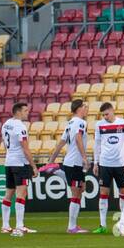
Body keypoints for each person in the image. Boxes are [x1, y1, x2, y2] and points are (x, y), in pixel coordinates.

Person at [44, 98, 89, 234]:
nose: (87, 109)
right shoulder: (80, 122)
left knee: (81, 188)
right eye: (85, 106)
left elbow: (61, 142)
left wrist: (51, 160)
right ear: (79, 108)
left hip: (71, 162)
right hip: (74, 162)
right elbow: (78, 138)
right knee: (76, 192)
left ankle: (58, 171)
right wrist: (84, 157)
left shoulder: (70, 123)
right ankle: (71, 226)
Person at [92, 102, 124, 235]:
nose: (105, 117)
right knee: (103, 194)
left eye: (106, 114)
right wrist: (96, 162)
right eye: (103, 115)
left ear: (112, 111)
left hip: (120, 164)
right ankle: (102, 225)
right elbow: (96, 145)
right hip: (105, 164)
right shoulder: (99, 125)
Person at [0, 101, 37, 236]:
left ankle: (5, 225)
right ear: (18, 112)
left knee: (8, 194)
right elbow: (25, 148)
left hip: (9, 162)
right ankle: (20, 226)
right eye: (26, 110)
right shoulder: (20, 127)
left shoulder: (6, 124)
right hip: (20, 164)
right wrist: (33, 166)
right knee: (21, 194)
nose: (28, 113)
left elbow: (5, 144)